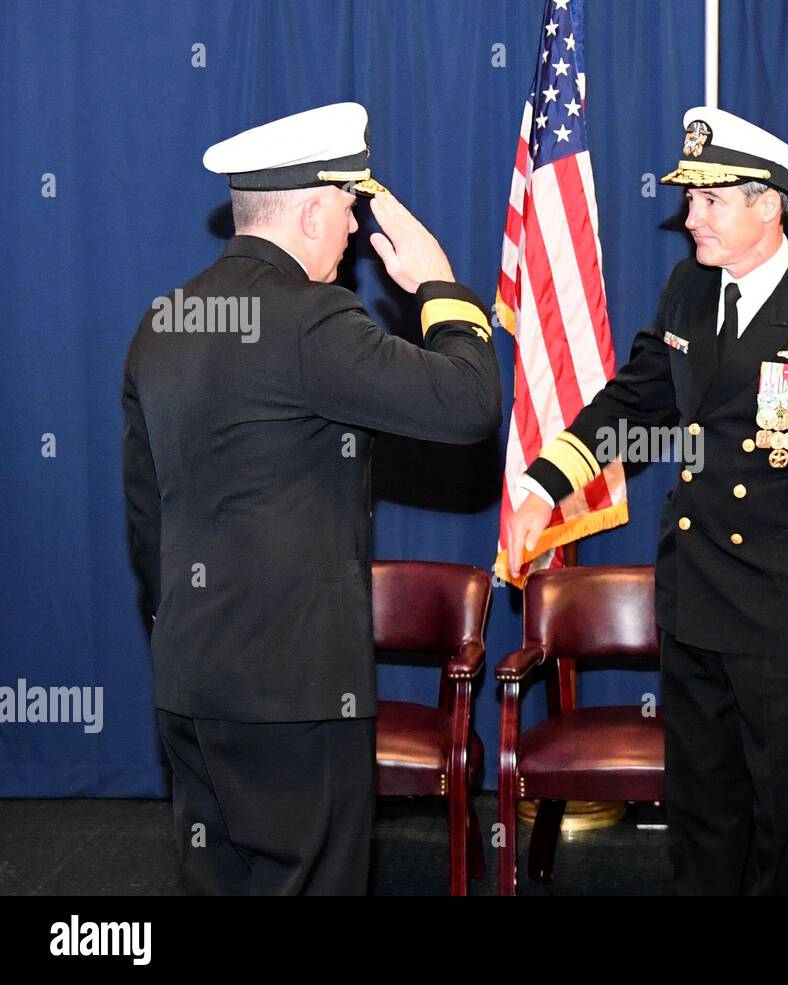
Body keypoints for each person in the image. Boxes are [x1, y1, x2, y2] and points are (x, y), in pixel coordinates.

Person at [506, 107, 788, 895]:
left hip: (785, 612)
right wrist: (542, 484)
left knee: (777, 805)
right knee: (699, 803)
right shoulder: (690, 289)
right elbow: (636, 398)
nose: (690, 218)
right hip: (694, 595)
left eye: (711, 201)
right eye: (690, 200)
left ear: (768, 205)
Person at [122, 102, 502, 894]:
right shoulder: (311, 318)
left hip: (192, 681)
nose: (358, 231)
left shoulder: (164, 321)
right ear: (310, 209)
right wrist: (440, 283)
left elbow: (145, 518)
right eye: (351, 209)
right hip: (296, 691)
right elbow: (467, 403)